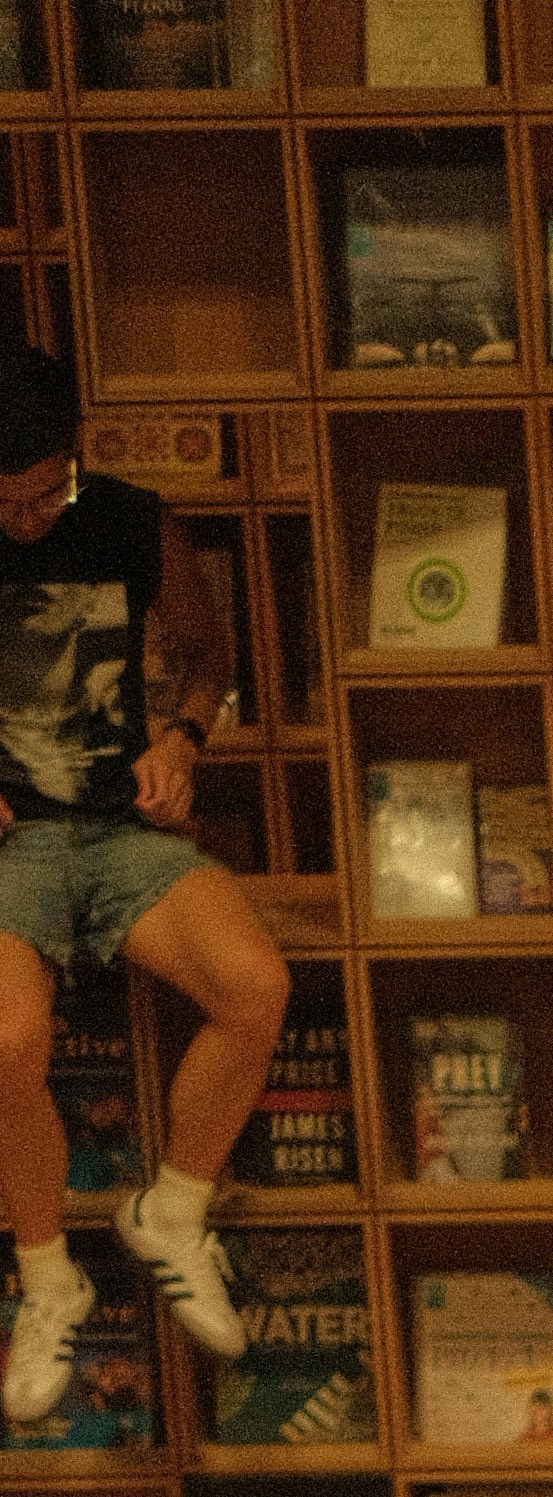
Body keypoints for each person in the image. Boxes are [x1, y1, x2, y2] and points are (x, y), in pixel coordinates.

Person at [0, 341, 287, 1434]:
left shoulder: (125, 518)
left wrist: (183, 737)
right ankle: (46, 1280)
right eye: (8, 503)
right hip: (11, 846)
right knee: (7, 1043)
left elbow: (213, 657)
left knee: (255, 985)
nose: (31, 518)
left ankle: (171, 1210)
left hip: (119, 828)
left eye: (47, 492)